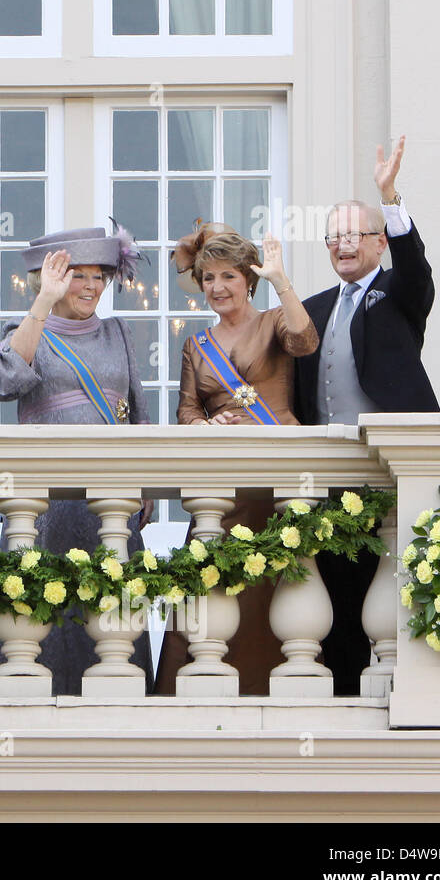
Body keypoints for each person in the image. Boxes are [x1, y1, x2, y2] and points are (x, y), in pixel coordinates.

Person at [294, 135, 439, 693]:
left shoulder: (400, 295)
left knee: (396, 586)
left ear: (380, 243)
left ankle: (401, 693)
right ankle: (342, 694)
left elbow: (417, 271)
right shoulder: (312, 309)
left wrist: (390, 196)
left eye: (355, 236)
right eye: (335, 239)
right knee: (335, 588)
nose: (343, 247)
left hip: (392, 472)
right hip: (328, 480)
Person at [0, 227, 154, 693]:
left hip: (110, 499)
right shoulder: (22, 332)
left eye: (100, 276)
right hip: (47, 503)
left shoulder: (118, 331)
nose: (91, 286)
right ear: (49, 279)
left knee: (112, 612)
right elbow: (4, 383)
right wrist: (42, 304)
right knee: (42, 615)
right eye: (77, 275)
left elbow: (136, 411)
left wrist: (147, 484)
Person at [160, 222, 319, 695]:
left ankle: (275, 688)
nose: (217, 287)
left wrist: (281, 280)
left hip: (274, 469)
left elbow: (305, 341)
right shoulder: (196, 344)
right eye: (208, 278)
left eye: (228, 276)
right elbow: (186, 409)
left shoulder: (273, 321)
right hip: (222, 482)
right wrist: (203, 426)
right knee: (214, 580)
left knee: (279, 581)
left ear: (247, 280)